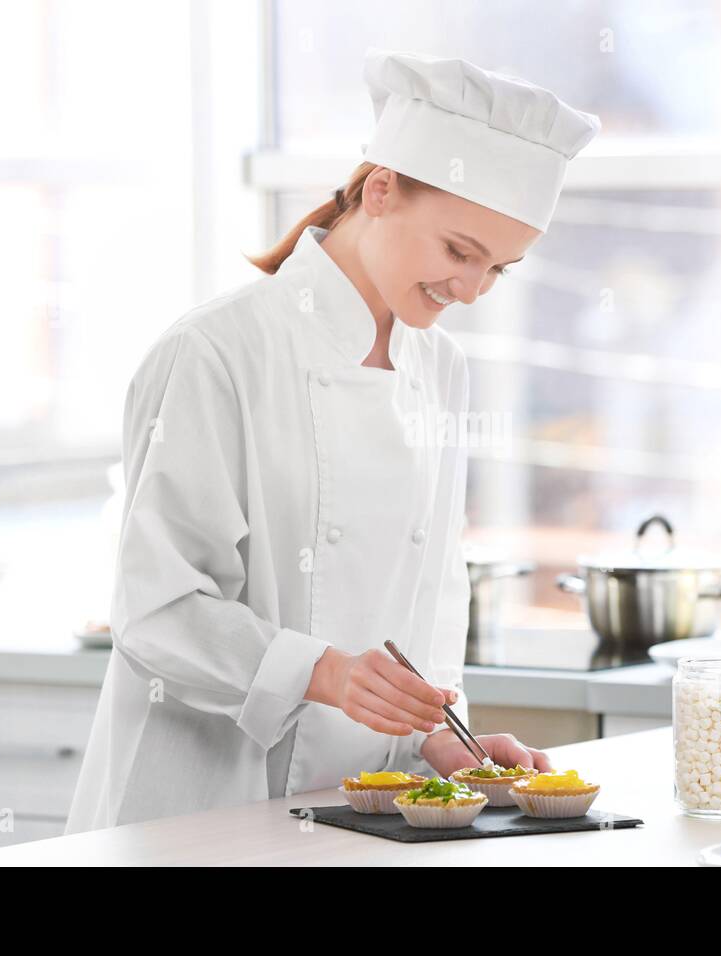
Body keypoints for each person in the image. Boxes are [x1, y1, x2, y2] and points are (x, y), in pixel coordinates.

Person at [65, 48, 600, 832]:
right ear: (379, 190)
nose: (471, 291)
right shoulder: (217, 354)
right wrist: (320, 673)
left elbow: (430, 599)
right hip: (196, 814)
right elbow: (158, 612)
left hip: (362, 816)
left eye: (500, 269)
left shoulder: (441, 369)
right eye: (459, 251)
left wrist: (438, 743)